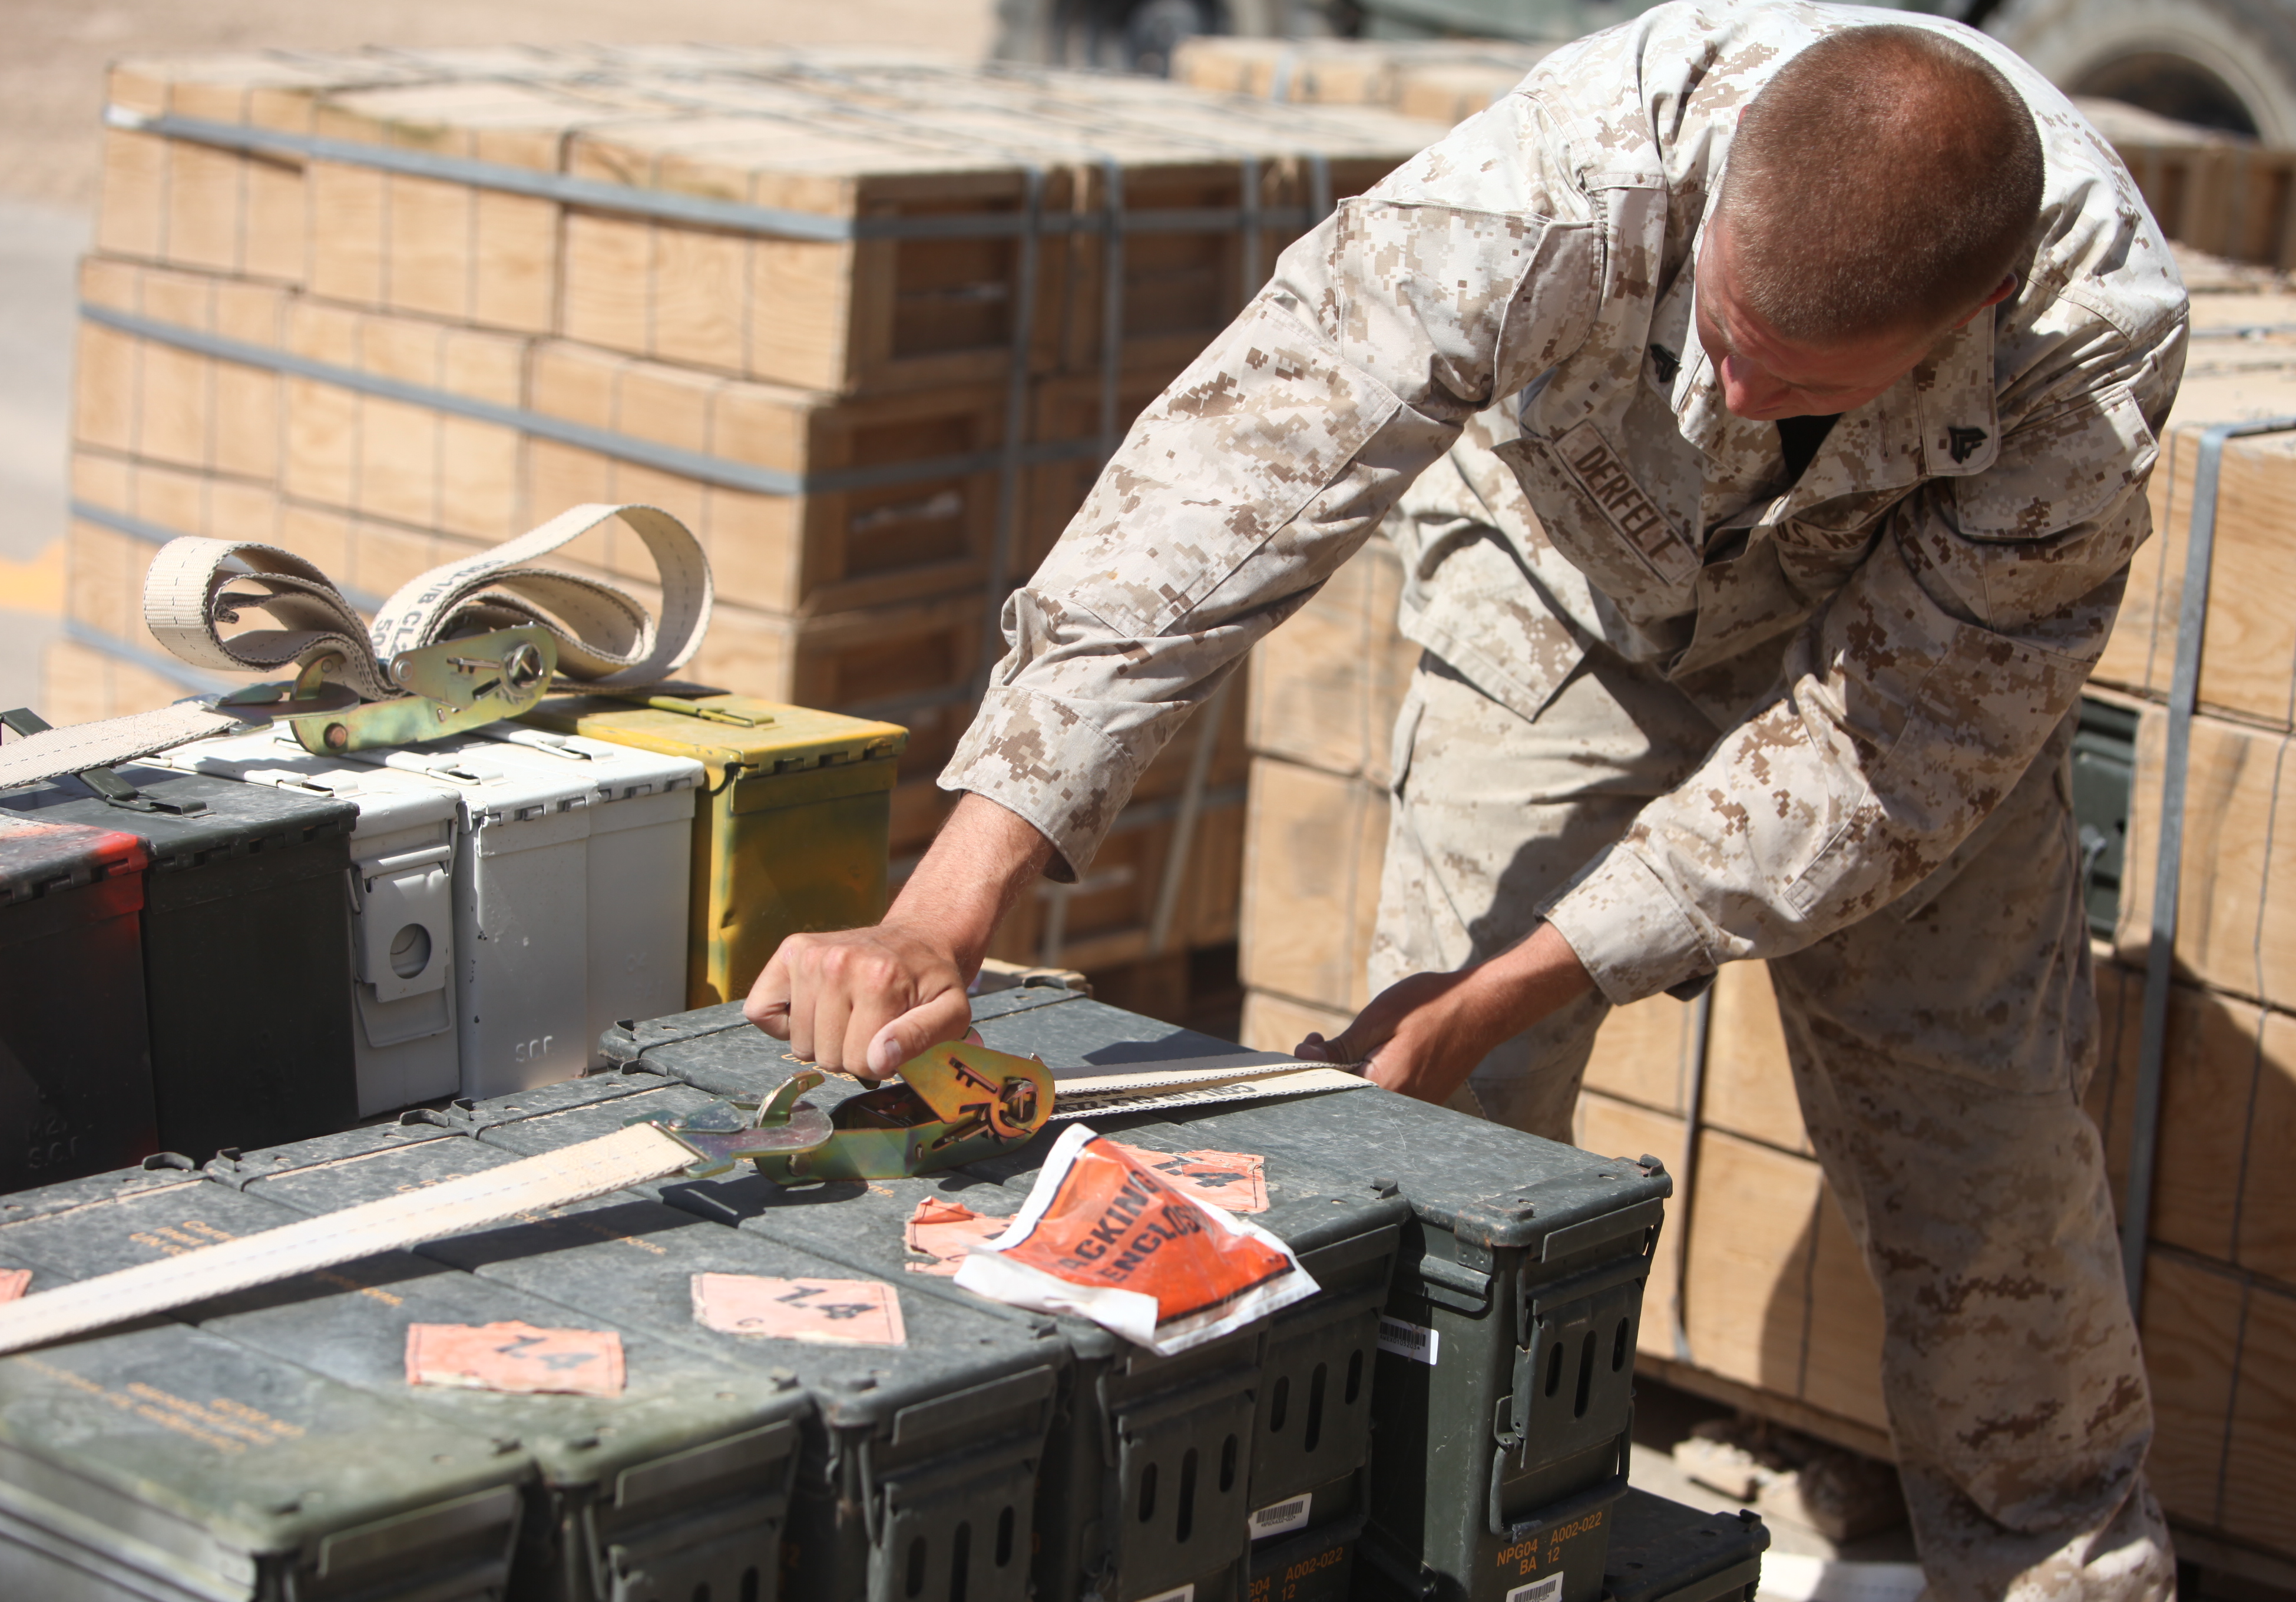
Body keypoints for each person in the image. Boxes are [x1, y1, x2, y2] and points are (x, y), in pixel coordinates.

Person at [746, 5, 2186, 1597]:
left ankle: (2061, 1563)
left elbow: (1886, 763)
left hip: (1894, 673)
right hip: (1568, 594)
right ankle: (1426, 1554)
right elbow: (1241, 480)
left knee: (1991, 1186)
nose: (1733, 394)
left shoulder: (2089, 347)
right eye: (1718, 335)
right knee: (1437, 1134)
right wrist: (948, 899)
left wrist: (1501, 989)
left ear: (1976, 311)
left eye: (1797, 383)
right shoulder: (1569, 173)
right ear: (1709, 214)